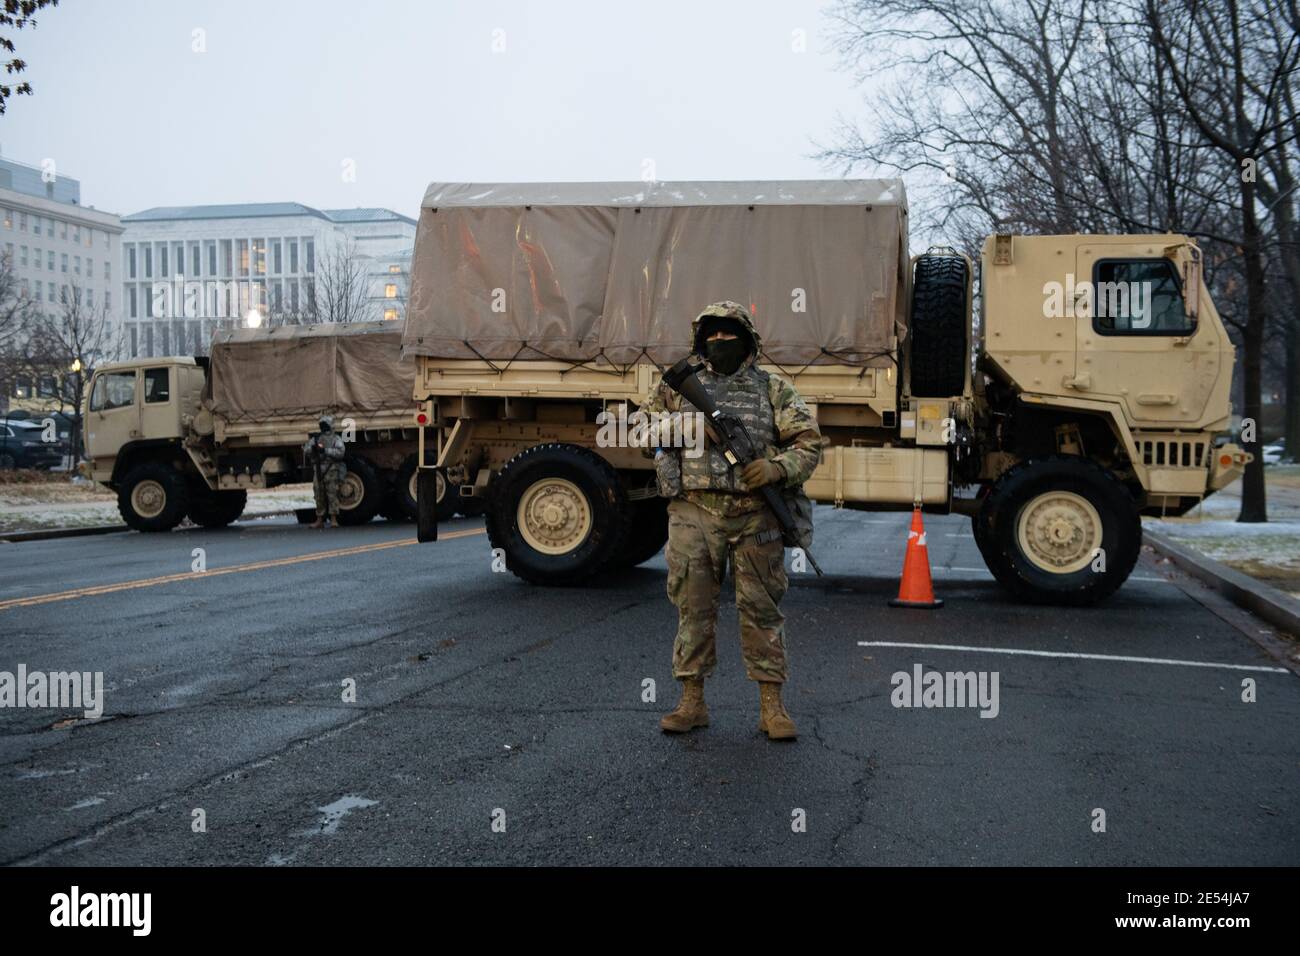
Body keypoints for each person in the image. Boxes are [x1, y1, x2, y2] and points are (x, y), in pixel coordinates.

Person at [640, 301, 822, 740]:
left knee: (762, 610)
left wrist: (777, 470)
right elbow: (641, 434)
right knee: (693, 608)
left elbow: (809, 444)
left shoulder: (773, 388)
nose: (720, 342)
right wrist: (689, 426)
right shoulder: (679, 388)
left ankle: (772, 707)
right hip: (693, 512)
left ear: (748, 340)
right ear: (701, 340)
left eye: (729, 334)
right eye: (712, 336)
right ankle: (691, 701)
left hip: (754, 514)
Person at [304, 415, 347, 528]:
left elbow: (340, 452)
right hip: (318, 470)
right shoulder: (316, 438)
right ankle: (319, 519)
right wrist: (314, 449)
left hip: (331, 469)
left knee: (332, 494)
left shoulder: (336, 439)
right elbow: (307, 450)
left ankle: (333, 519)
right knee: (318, 494)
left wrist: (325, 450)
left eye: (325, 425)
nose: (324, 427)